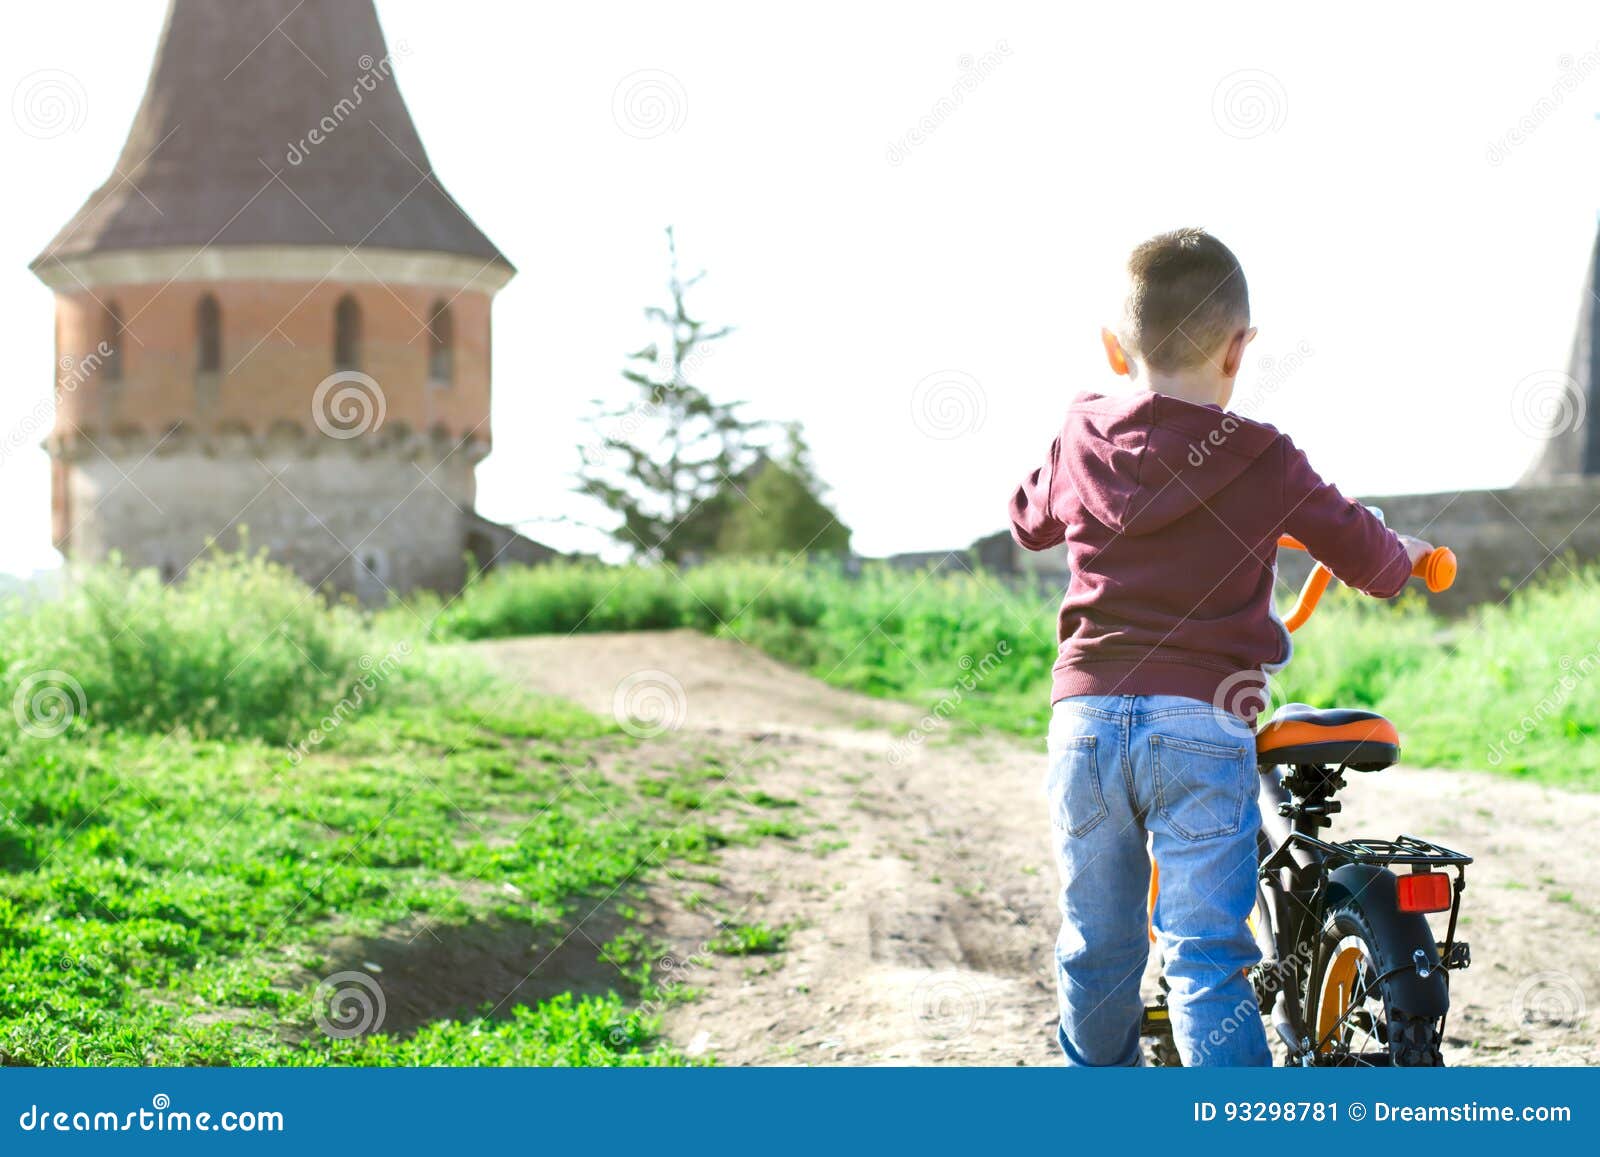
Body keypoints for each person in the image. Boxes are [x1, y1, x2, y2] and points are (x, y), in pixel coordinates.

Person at [1008, 227, 1432, 1066]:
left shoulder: (1082, 431)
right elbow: (1369, 558)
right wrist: (1404, 555)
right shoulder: (1266, 458)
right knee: (1206, 952)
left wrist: (1070, 457)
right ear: (1240, 350)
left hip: (1087, 721)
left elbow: (1028, 520)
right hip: (1202, 720)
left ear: (1111, 347)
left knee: (1099, 941)